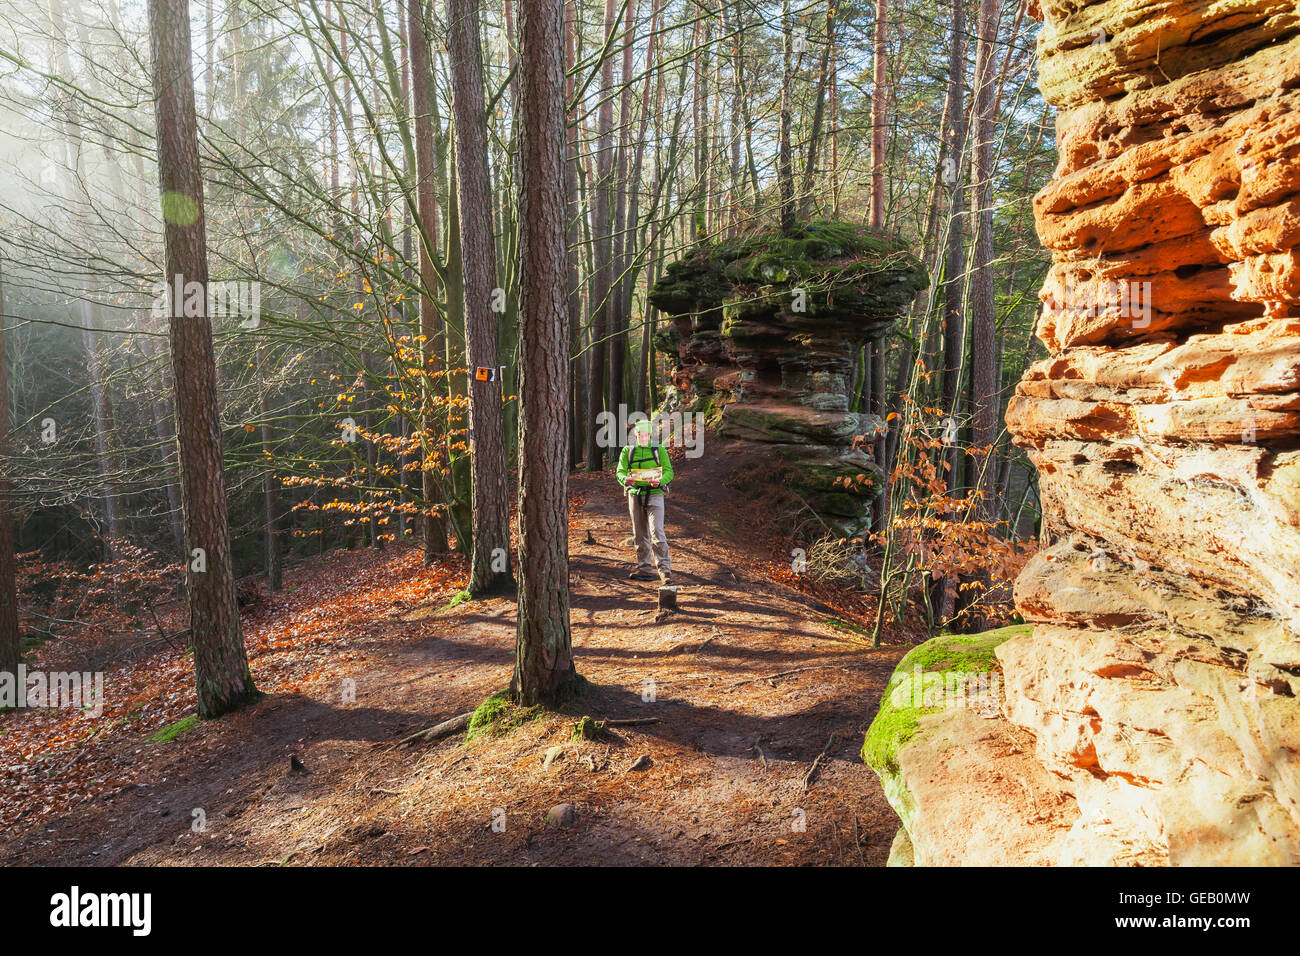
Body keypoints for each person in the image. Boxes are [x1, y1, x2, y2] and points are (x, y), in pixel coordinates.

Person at [615, 420, 674, 584]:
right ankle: (645, 569)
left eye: (646, 435)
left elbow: (669, 471)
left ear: (650, 435)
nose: (643, 438)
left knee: (657, 533)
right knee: (640, 534)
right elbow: (620, 472)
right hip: (635, 495)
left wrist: (660, 481)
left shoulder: (658, 450)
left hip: (655, 494)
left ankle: (665, 571)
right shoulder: (628, 451)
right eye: (640, 435)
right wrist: (625, 480)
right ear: (636, 435)